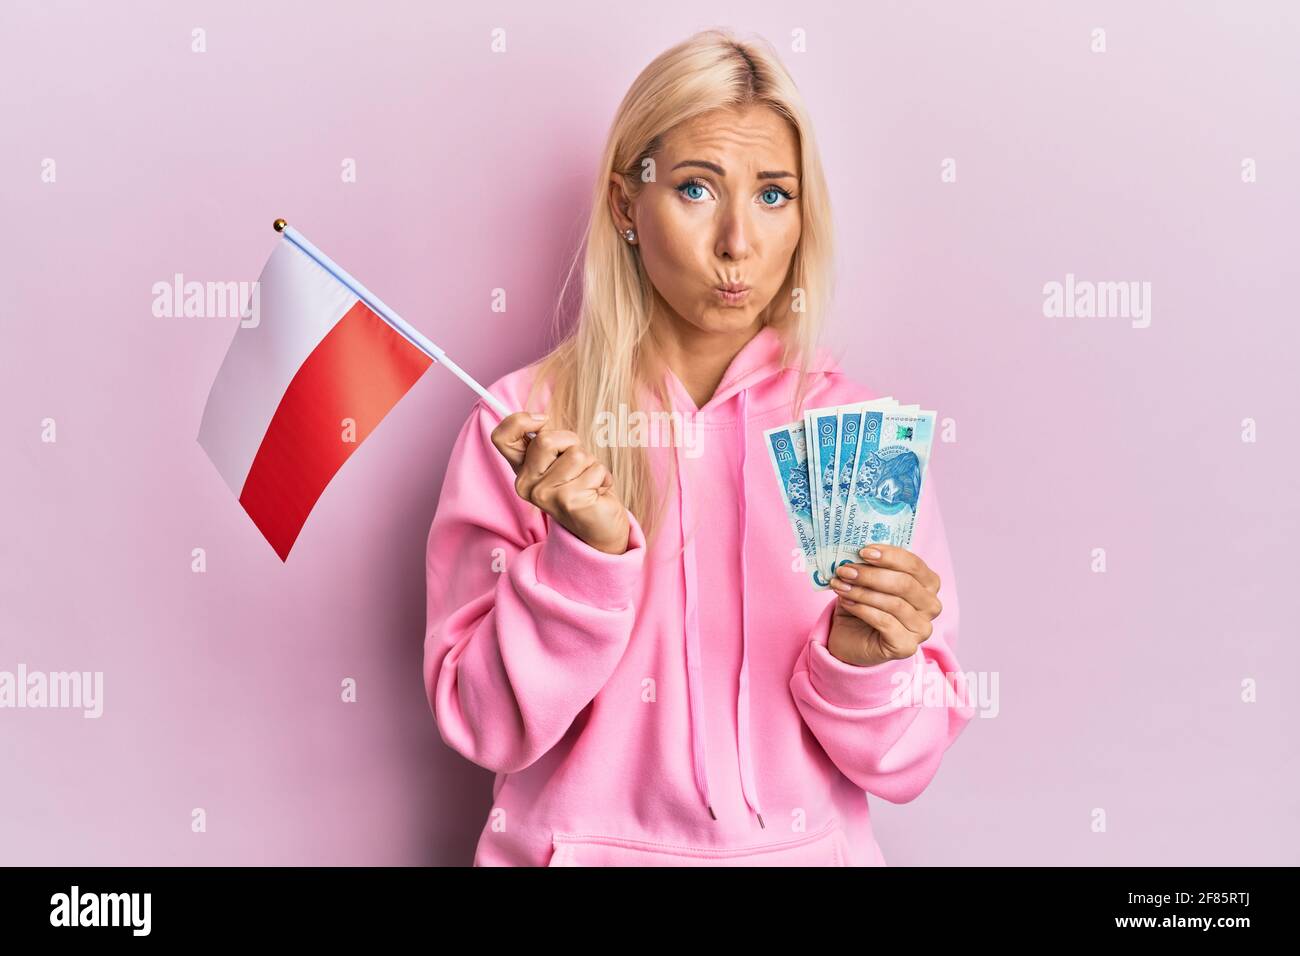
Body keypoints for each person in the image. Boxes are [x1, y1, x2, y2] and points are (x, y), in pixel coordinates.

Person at [422, 27, 974, 866]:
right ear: (625, 207)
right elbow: (480, 722)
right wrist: (583, 562)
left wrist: (860, 666)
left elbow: (907, 762)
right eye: (694, 188)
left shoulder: (857, 440)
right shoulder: (528, 430)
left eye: (773, 195)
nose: (736, 243)